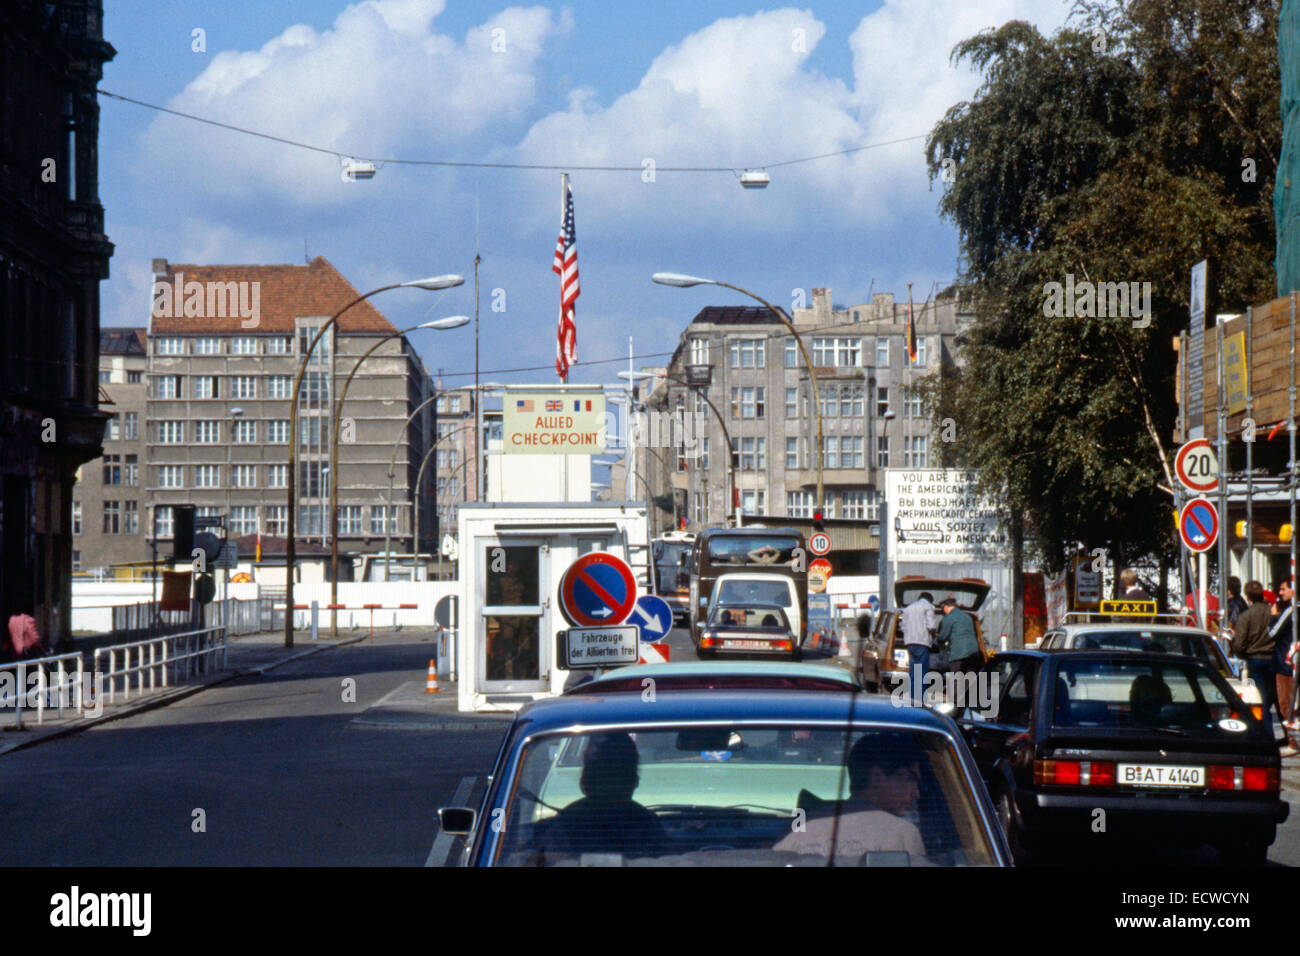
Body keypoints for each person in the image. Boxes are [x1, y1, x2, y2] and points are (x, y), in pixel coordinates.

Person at [773, 735, 926, 862]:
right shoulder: (904, 834)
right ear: (877, 777)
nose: (916, 793)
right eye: (908, 779)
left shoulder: (800, 829)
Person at [540, 732, 667, 858]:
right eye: (608, 776)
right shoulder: (647, 825)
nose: (611, 786)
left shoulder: (564, 825)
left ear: (585, 781)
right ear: (634, 781)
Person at [1231, 580, 1279, 729]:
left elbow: (1239, 644)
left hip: (1254, 659)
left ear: (1247, 596)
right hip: (1273, 658)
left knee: (1260, 698)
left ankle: (1265, 732)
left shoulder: (1246, 616)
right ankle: (1287, 732)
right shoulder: (1272, 613)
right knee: (1276, 698)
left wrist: (1241, 653)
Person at [1271, 579, 1297, 754]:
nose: (1280, 593)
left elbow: (1272, 633)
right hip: (1293, 662)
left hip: (1286, 664)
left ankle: (1293, 741)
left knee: (1285, 703)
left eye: (1283, 589)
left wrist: (1273, 617)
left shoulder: (1291, 610)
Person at [900, 592, 937, 704]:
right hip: (922, 642)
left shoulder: (908, 608)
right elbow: (931, 626)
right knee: (921, 672)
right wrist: (934, 635)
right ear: (930, 600)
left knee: (913, 672)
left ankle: (912, 698)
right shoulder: (928, 607)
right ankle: (921, 700)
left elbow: (902, 627)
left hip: (909, 643)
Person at [936, 598, 981, 673]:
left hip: (959, 653)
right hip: (973, 652)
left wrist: (935, 637)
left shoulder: (949, 617)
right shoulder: (968, 617)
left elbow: (943, 637)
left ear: (946, 607)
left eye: (942, 609)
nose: (943, 611)